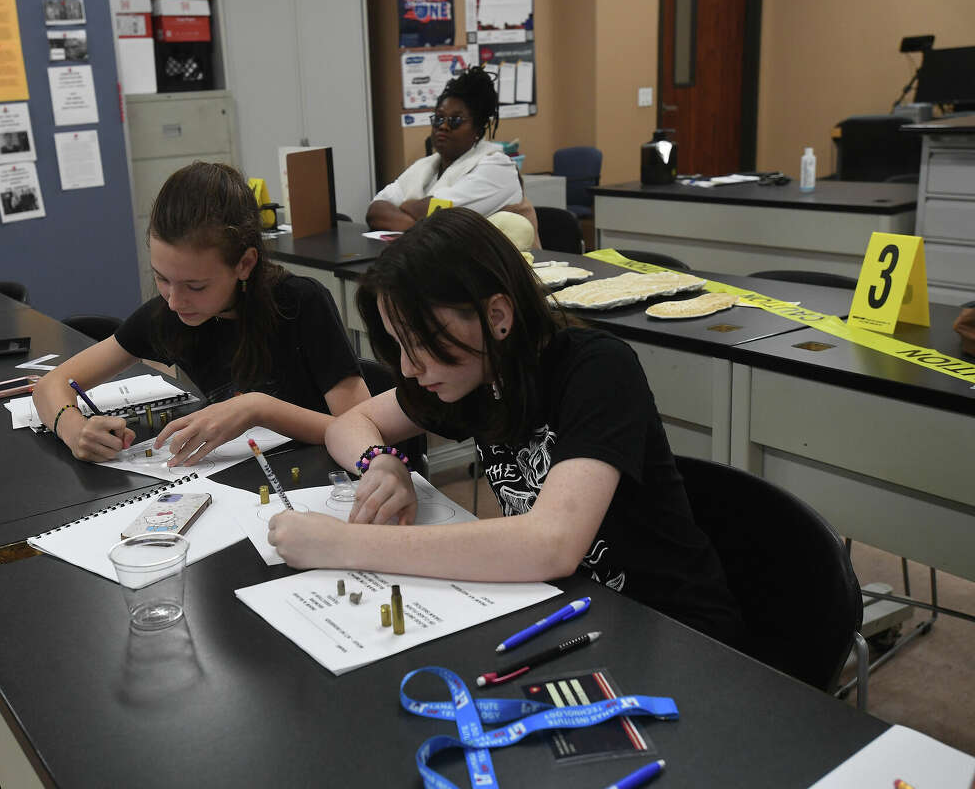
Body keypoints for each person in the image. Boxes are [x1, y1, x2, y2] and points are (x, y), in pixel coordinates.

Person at [268, 207, 744, 645]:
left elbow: (551, 544)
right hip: (571, 612)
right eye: (400, 346)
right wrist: (381, 463)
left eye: (420, 343)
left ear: (496, 316)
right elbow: (350, 424)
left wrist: (347, 544)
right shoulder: (472, 375)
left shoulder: (598, 370)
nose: (409, 369)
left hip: (675, 634)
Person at [34, 162, 369, 465]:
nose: (174, 301)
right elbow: (51, 384)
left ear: (245, 264)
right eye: (162, 278)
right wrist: (75, 430)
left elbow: (364, 430)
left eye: (196, 286)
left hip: (325, 480)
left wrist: (258, 408)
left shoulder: (300, 302)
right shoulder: (168, 315)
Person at [366, 66, 526, 233]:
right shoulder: (425, 166)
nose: (443, 126)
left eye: (455, 120)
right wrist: (417, 226)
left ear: (477, 131)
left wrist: (404, 208)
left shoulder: (498, 168)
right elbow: (376, 210)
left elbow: (442, 219)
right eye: (439, 118)